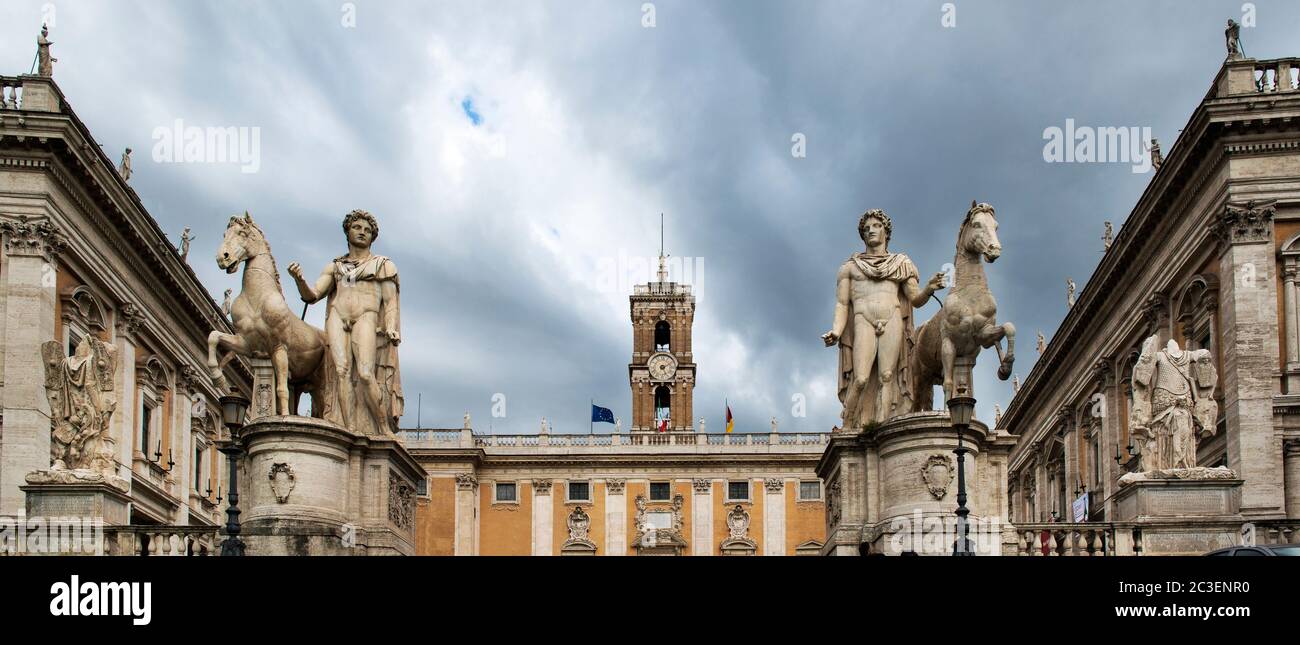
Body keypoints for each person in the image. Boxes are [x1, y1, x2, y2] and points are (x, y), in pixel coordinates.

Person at [824, 209, 945, 428]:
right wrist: (836, 330)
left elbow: (915, 299)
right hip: (863, 319)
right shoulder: (850, 267)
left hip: (892, 318)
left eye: (876, 226)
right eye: (866, 228)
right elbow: (842, 304)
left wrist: (929, 288)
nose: (871, 230)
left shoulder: (901, 263)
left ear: (886, 232)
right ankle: (849, 425)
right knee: (860, 379)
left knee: (887, 376)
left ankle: (880, 428)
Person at [289, 210, 403, 435]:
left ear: (373, 237)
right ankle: (348, 430)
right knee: (340, 372)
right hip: (338, 316)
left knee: (365, 373)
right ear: (347, 230)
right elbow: (312, 295)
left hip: (366, 317)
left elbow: (391, 302)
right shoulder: (335, 267)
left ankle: (382, 426)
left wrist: (391, 326)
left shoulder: (382, 265)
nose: (362, 232)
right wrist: (299, 279)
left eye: (367, 230)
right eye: (357, 227)